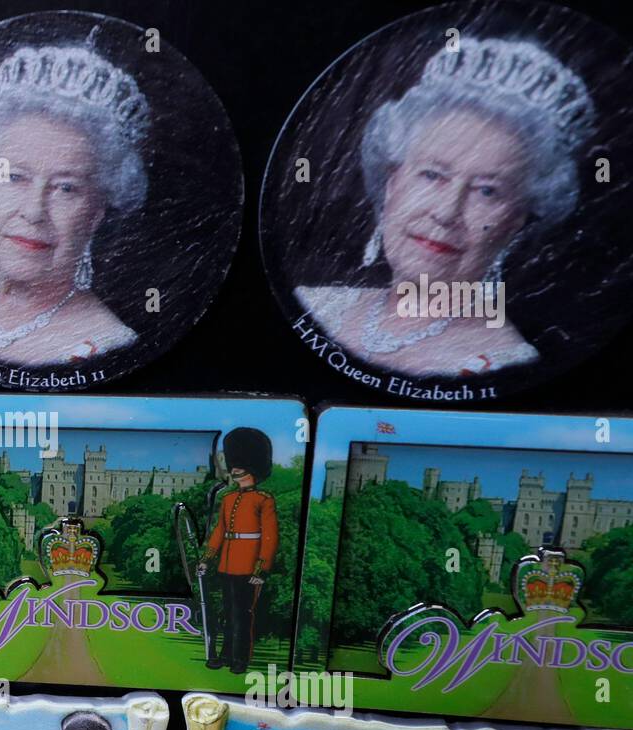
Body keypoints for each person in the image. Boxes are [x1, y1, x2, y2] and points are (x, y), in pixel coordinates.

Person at [295, 37, 595, 377]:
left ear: (516, 220)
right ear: (393, 184)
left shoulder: (504, 366)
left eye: (486, 191)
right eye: (432, 175)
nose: (446, 212)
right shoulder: (314, 306)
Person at [0, 44, 149, 367]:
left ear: (95, 214)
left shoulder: (112, 347)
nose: (34, 211)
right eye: (14, 176)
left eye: (66, 188)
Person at [198, 428, 278, 673]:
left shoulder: (264, 500)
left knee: (243, 615)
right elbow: (220, 532)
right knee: (227, 613)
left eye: (240, 463)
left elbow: (269, 538)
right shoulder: (229, 499)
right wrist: (207, 559)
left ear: (252, 467)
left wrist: (261, 569)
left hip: (248, 565)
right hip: (228, 563)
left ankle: (240, 659)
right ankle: (225, 655)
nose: (234, 468)